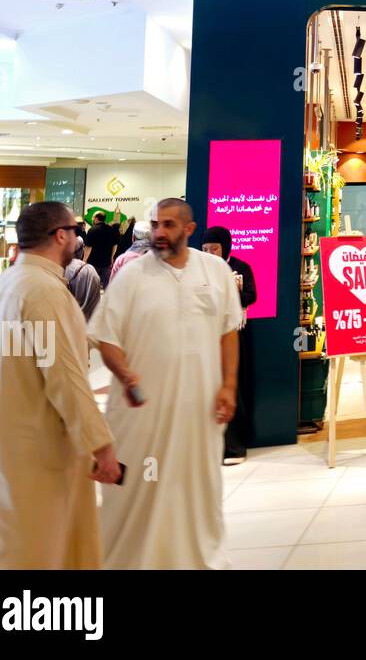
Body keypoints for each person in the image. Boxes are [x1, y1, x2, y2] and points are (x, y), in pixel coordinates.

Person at [0, 202, 120, 569]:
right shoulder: (42, 291)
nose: (77, 239)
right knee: (37, 551)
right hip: (40, 450)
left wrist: (7, 391)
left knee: (2, 542)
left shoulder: (4, 284)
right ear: (61, 235)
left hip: (3, 442)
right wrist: (101, 444)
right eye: (74, 231)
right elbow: (66, 377)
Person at [89, 199, 242, 569]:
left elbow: (227, 331)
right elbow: (105, 335)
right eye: (156, 224)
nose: (159, 232)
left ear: (188, 229)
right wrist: (125, 375)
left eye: (169, 225)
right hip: (142, 413)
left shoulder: (215, 271)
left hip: (198, 409)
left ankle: (195, 558)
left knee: (196, 488)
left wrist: (228, 386)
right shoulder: (132, 275)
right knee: (141, 488)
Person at [202, 226, 257, 465]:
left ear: (226, 246)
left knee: (234, 390)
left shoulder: (241, 267)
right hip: (205, 338)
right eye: (205, 249)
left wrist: (232, 292)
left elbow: (252, 296)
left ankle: (235, 447)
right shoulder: (199, 270)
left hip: (235, 336)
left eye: (214, 248)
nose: (210, 253)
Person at [64, 236, 103, 321]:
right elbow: (95, 304)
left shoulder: (57, 268)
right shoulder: (90, 271)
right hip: (85, 323)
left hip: (64, 323)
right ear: (82, 250)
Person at [82, 211, 121, 287]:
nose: (92, 219)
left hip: (93, 263)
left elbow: (88, 247)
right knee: (107, 286)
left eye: (93, 217)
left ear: (96, 218)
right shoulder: (111, 230)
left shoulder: (92, 230)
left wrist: (84, 261)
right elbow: (115, 246)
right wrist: (111, 257)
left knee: (92, 286)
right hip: (106, 263)